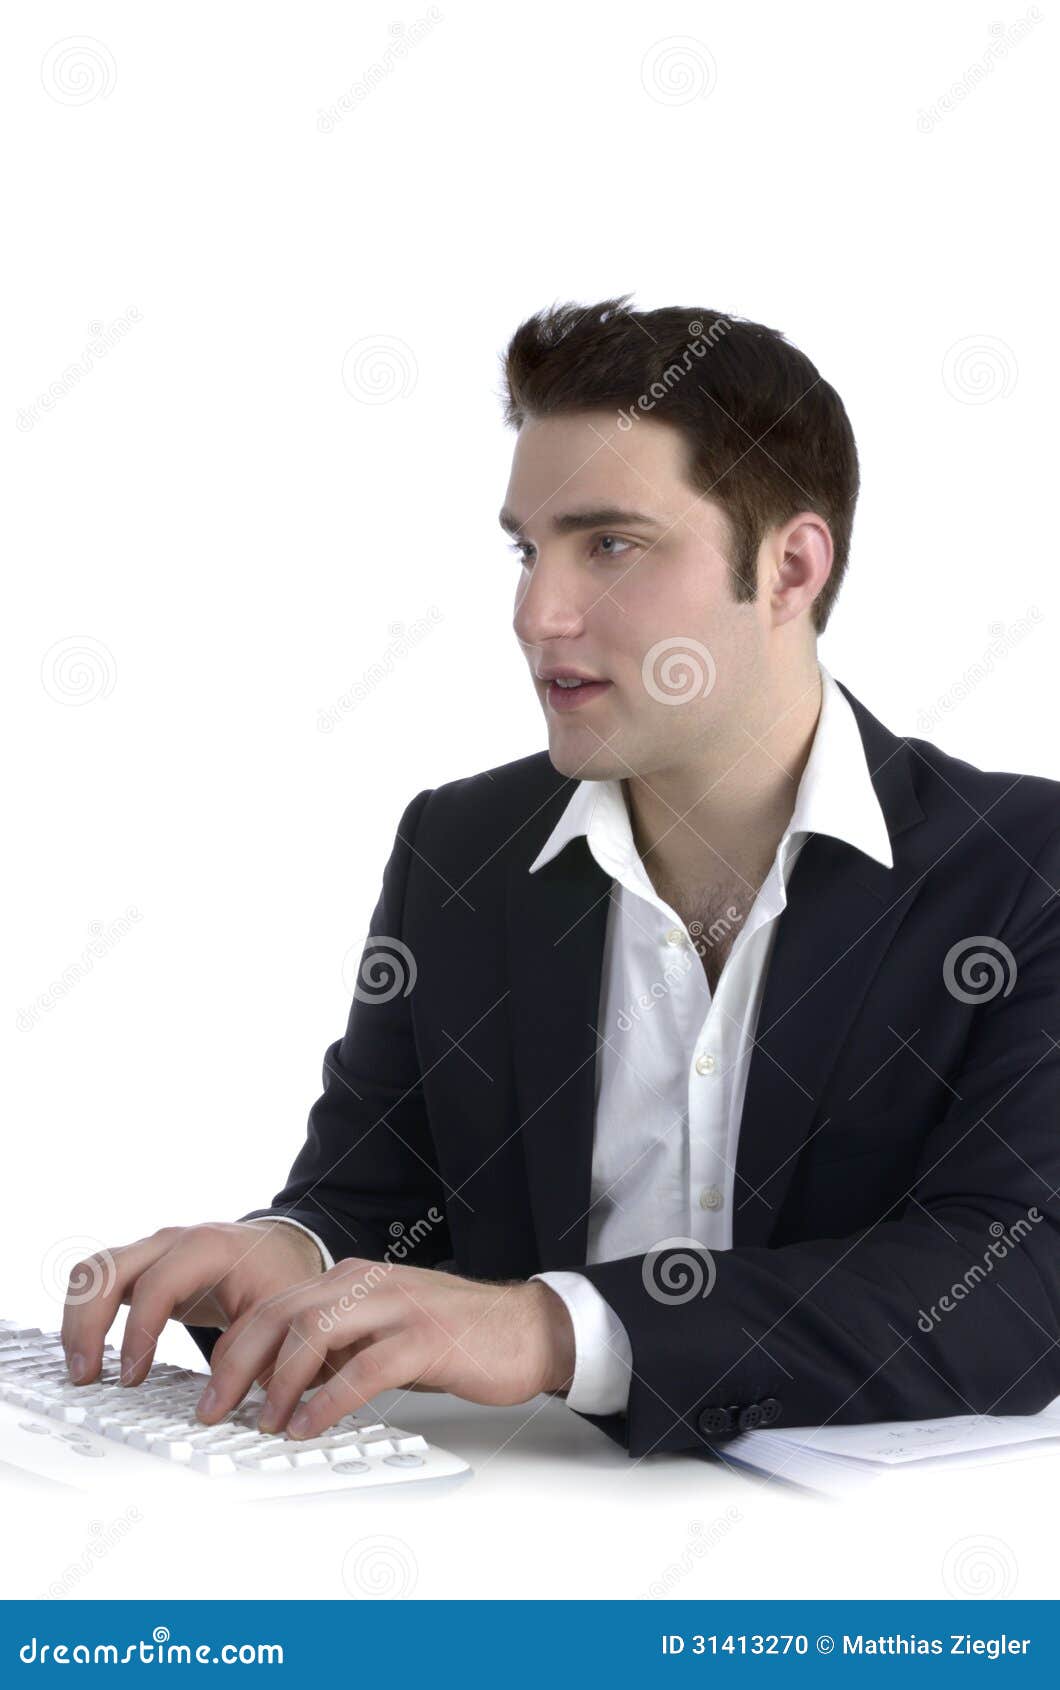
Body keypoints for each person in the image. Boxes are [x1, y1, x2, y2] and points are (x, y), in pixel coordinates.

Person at [61, 298, 1060, 1459]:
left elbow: (1019, 1283)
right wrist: (291, 1251)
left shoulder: (1021, 870)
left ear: (788, 567)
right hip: (513, 1523)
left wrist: (550, 1329)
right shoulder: (459, 848)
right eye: (527, 550)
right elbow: (383, 1198)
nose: (538, 613)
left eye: (611, 545)